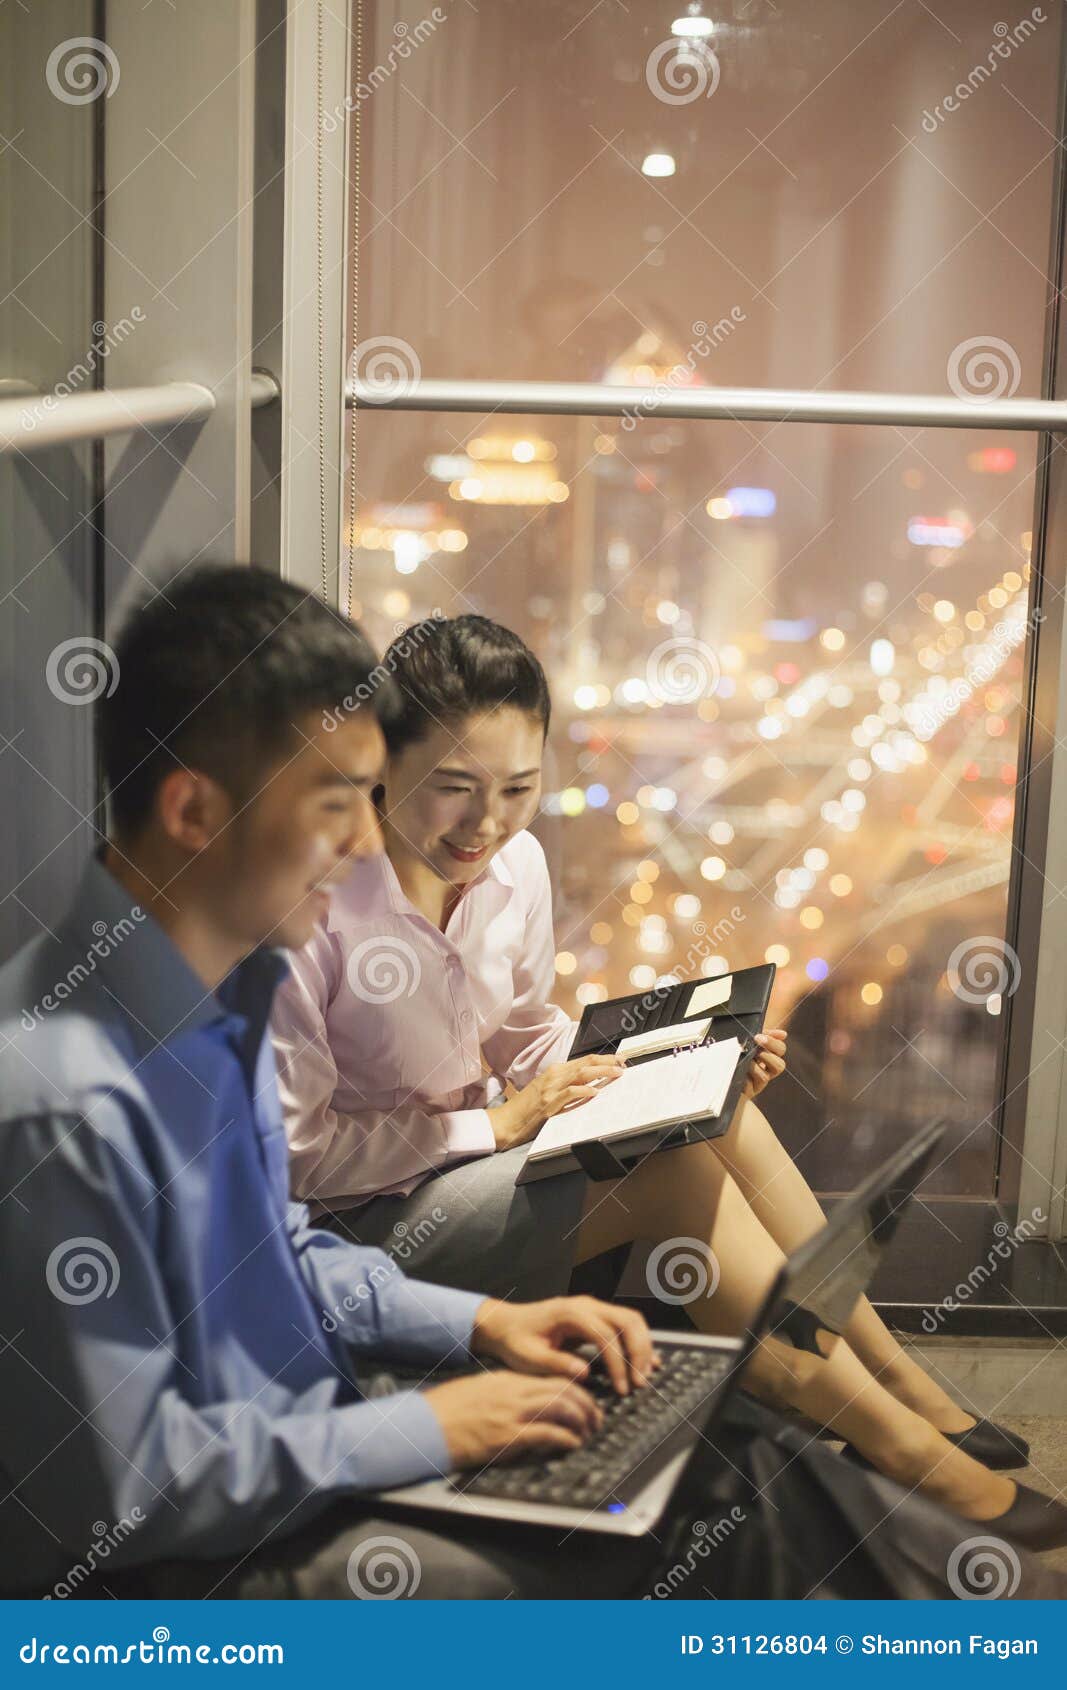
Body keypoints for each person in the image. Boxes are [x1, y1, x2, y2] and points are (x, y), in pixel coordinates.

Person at [2, 562, 1064, 1600]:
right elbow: (132, 1496)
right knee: (724, 1524)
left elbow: (277, 1255)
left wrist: (474, 1328)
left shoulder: (209, 1002)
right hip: (189, 1577)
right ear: (192, 813)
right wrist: (429, 1425)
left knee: (722, 1447)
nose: (369, 840)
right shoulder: (63, 1099)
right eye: (337, 803)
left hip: (306, 1426)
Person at [273, 612, 1053, 1534]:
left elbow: (522, 1033)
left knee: (717, 1112)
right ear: (379, 763)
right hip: (365, 1227)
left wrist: (671, 1066)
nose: (485, 822)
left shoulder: (512, 866)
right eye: (452, 787)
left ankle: (893, 1382)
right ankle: (897, 1440)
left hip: (471, 1162)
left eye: (518, 787)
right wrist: (498, 1124)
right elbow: (296, 1160)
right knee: (671, 1169)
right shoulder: (311, 906)